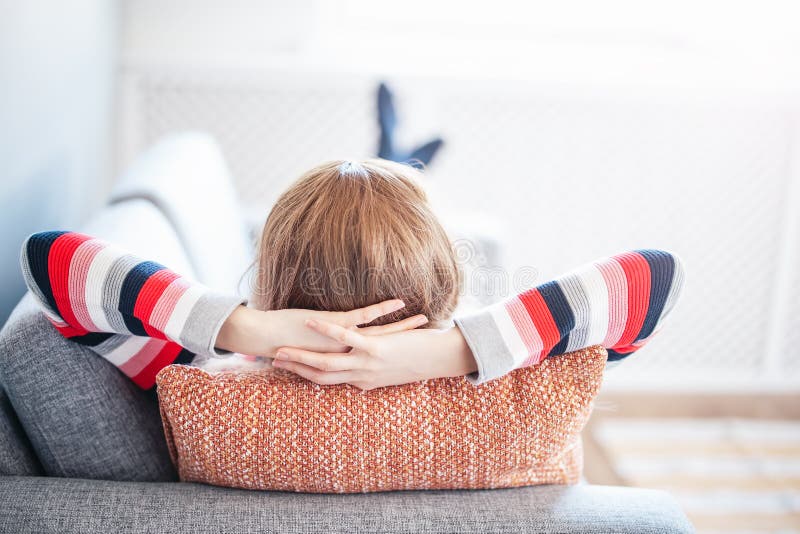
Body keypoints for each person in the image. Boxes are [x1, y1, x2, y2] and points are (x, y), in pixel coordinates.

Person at [19, 159, 684, 393]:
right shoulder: (518, 387)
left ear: (273, 278)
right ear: (442, 283)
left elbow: (50, 262)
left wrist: (242, 327)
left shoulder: (192, 379)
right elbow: (652, 280)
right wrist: (453, 352)